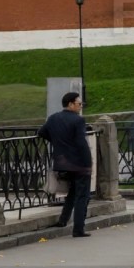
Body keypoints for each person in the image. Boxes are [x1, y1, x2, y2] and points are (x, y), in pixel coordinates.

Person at [38, 92, 94, 237]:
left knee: (72, 192)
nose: (81, 106)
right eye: (79, 104)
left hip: (62, 162)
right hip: (80, 163)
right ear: (70, 104)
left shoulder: (53, 118)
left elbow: (41, 132)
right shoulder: (78, 120)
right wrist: (89, 163)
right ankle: (78, 229)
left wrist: (59, 144)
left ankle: (63, 220)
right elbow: (82, 143)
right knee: (83, 196)